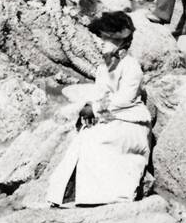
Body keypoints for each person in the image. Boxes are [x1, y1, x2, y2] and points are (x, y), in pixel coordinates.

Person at [46, 11, 152, 207]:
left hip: (131, 123)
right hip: (111, 119)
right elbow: (99, 94)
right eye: (102, 38)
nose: (101, 42)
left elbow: (124, 100)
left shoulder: (131, 67)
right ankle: (73, 194)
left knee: (100, 139)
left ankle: (113, 193)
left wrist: (94, 109)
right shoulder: (103, 68)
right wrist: (89, 107)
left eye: (107, 38)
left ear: (120, 42)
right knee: (83, 139)